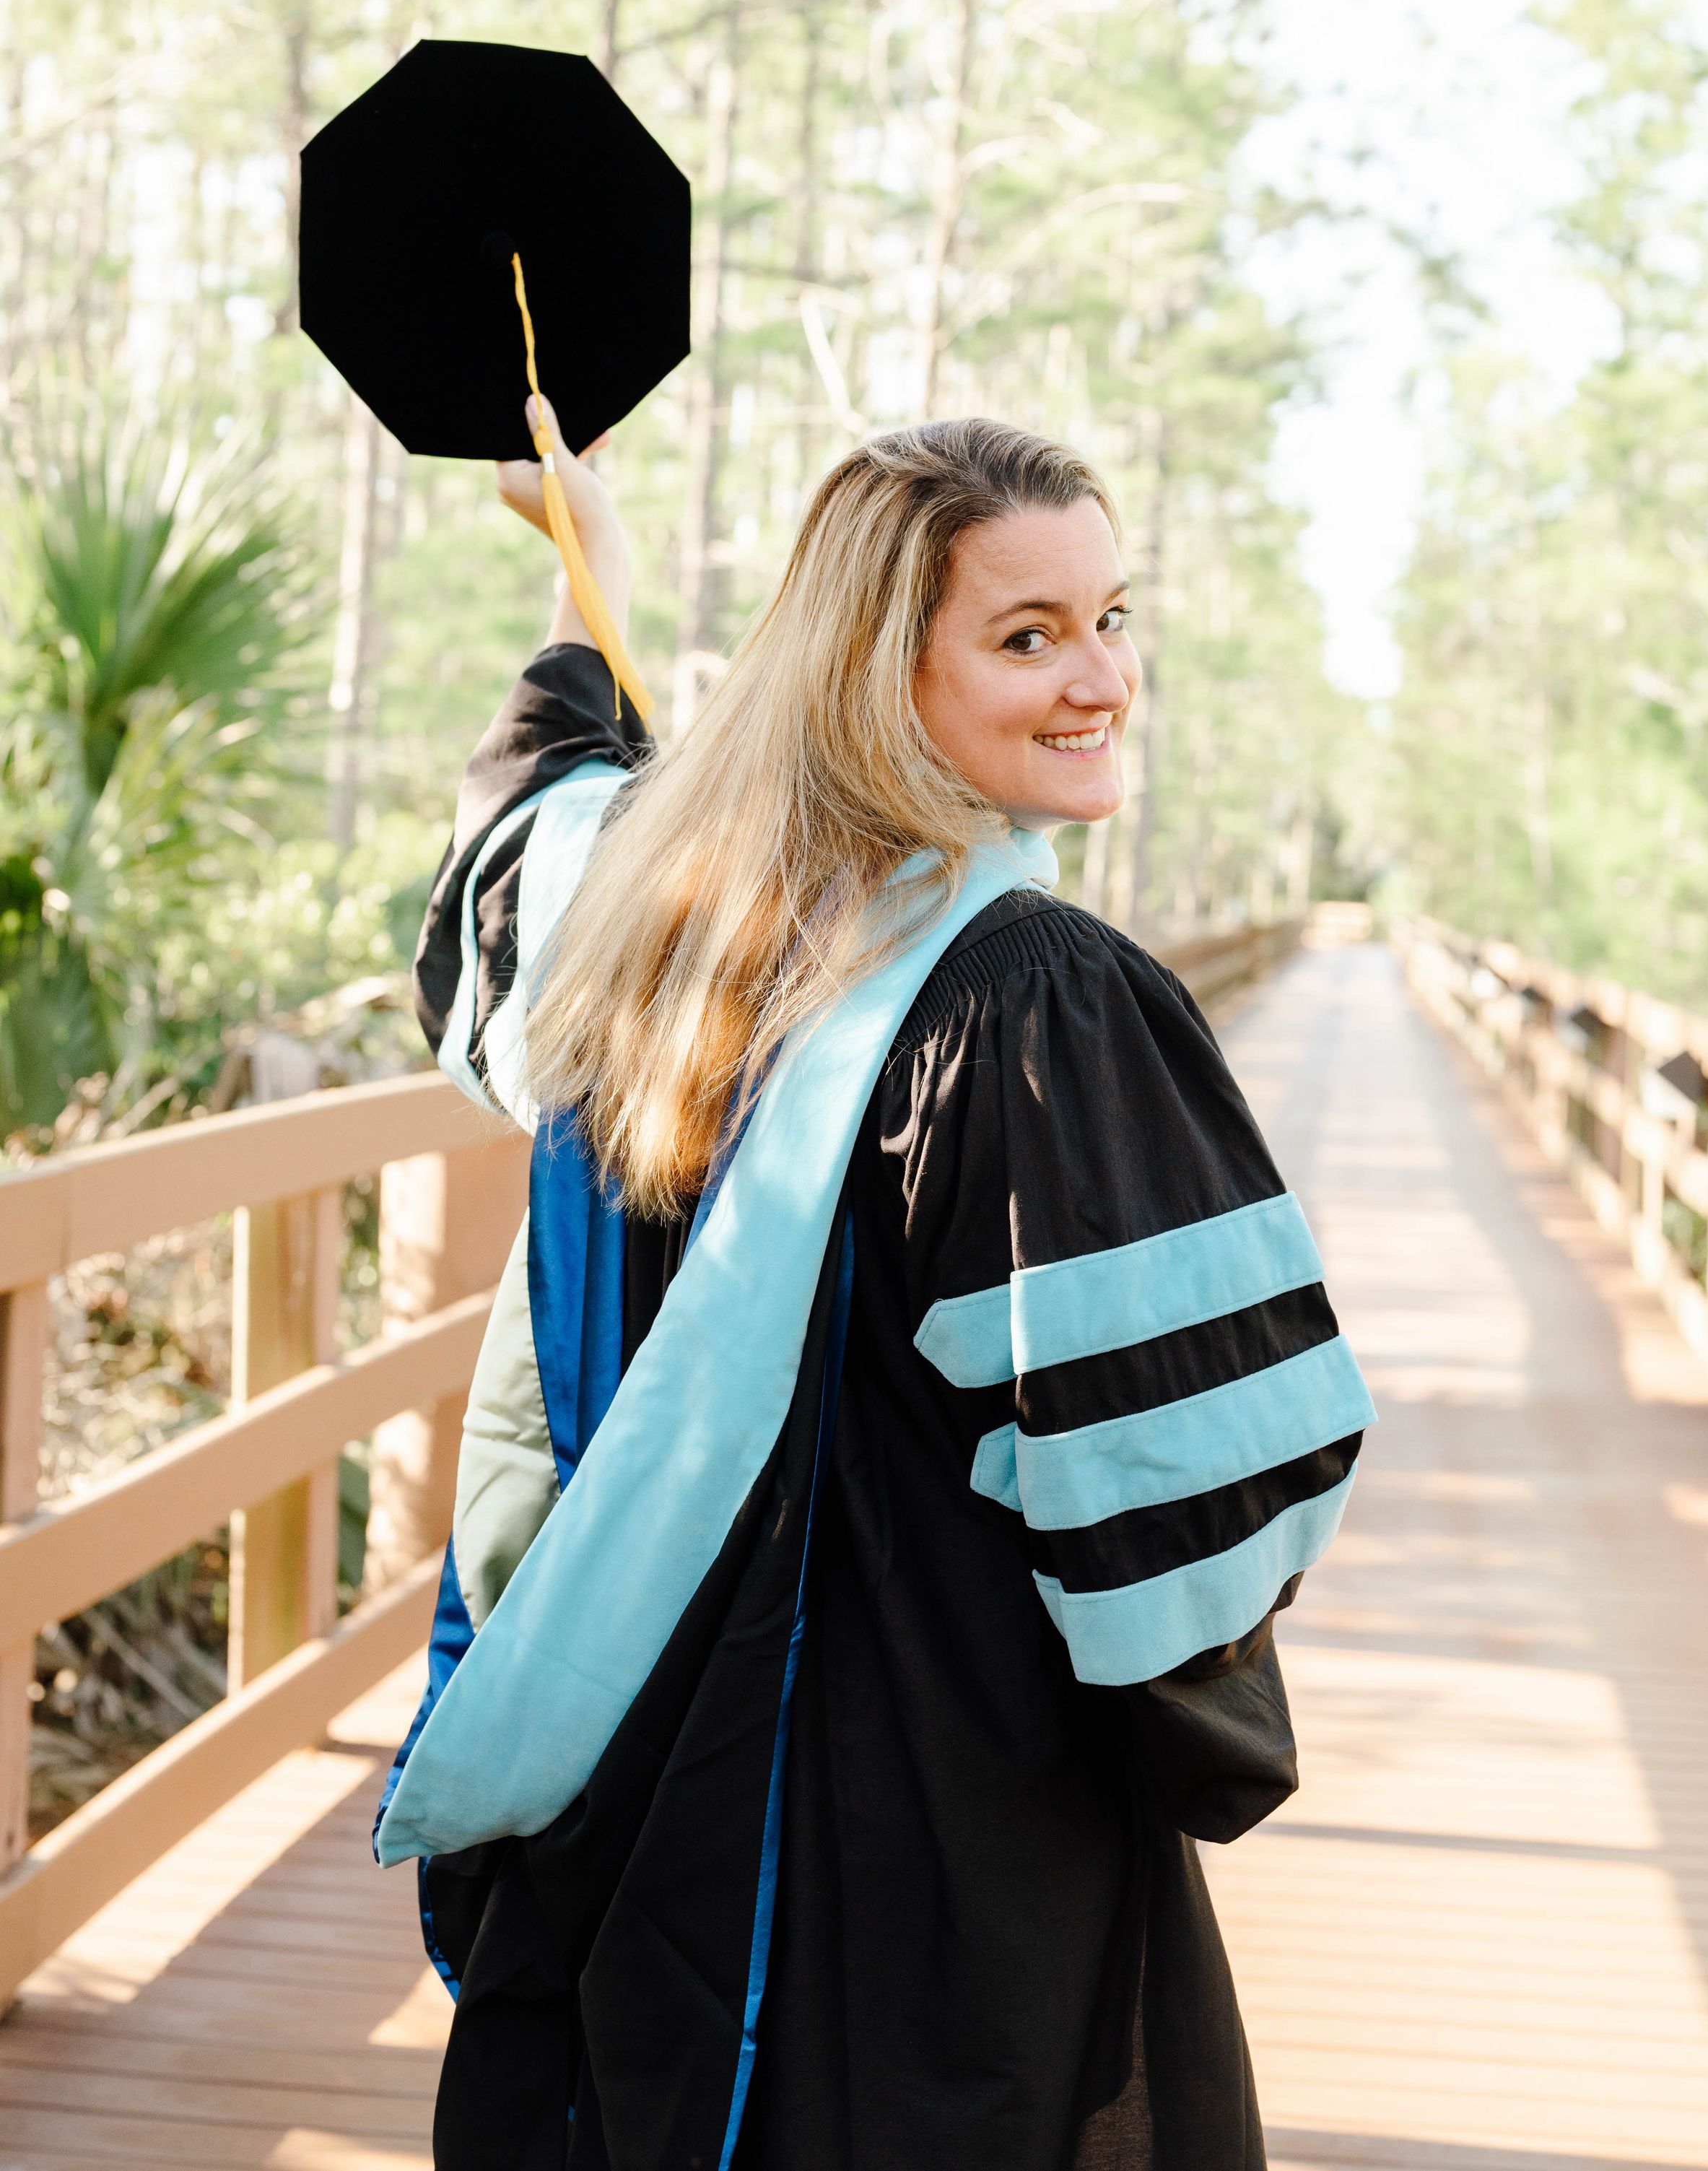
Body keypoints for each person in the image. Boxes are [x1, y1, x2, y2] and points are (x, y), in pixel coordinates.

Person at [375, 405, 1372, 2171]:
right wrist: (1190, 1734)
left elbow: (537, 837)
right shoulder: (1031, 997)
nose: (1098, 681)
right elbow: (1181, 1528)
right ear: (872, 679)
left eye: (1109, 617)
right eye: (1023, 634)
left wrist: (580, 571)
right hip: (934, 1831)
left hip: (641, 1771)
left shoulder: (670, 937)